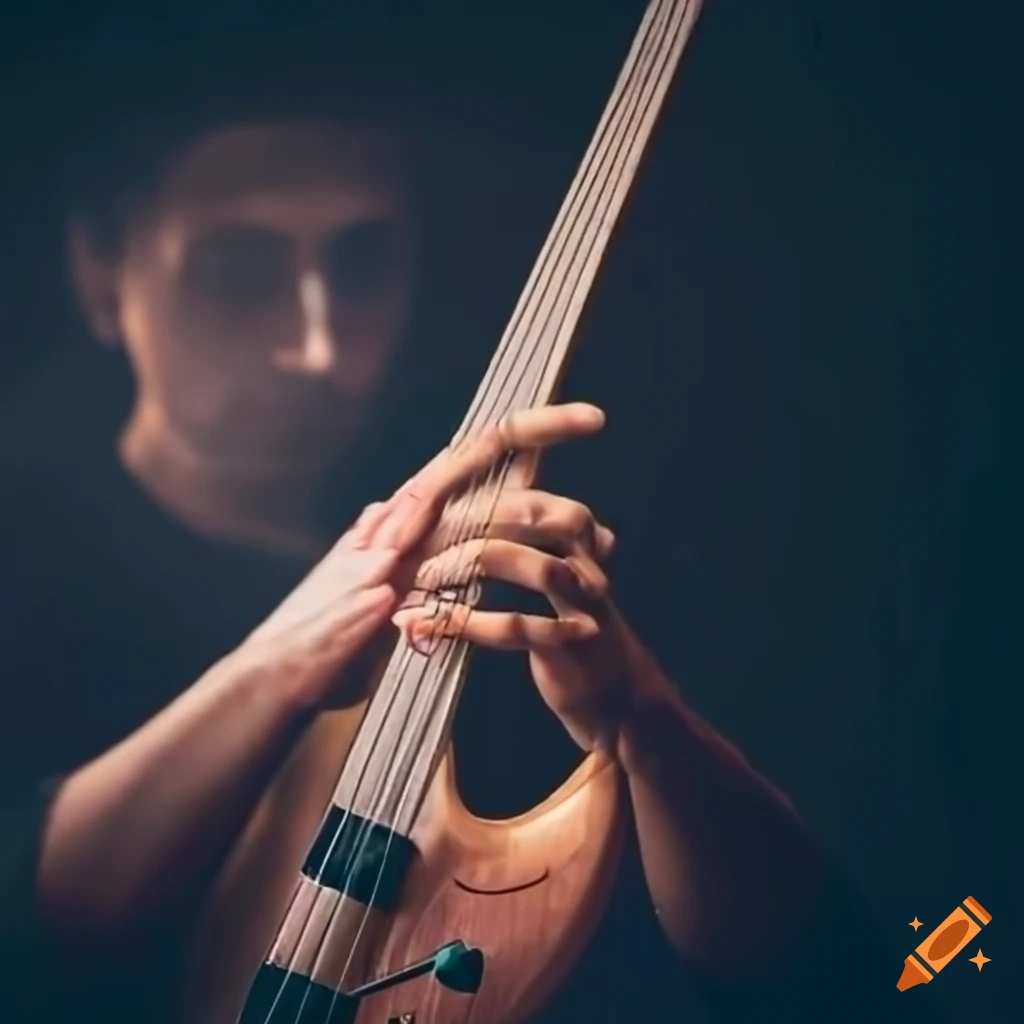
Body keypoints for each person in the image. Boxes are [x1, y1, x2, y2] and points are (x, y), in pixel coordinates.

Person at [0, 31, 941, 1024]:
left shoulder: (530, 565)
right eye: (238, 265)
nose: (315, 346)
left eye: (361, 261)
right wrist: (273, 666)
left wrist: (652, 733)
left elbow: (840, 983)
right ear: (101, 270)